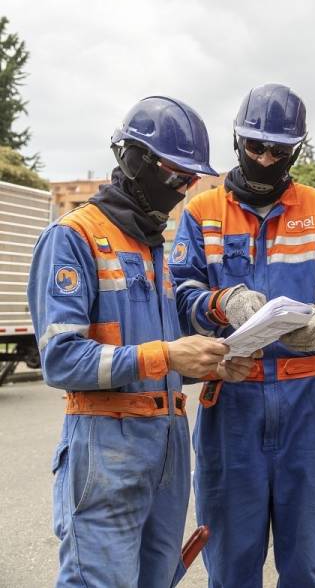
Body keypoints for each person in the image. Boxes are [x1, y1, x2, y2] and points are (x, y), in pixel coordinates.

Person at [28, 96, 255, 588]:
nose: (183, 190)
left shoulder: (154, 247)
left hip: (167, 446)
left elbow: (161, 353)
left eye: (191, 180)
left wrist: (210, 365)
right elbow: (61, 359)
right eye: (176, 176)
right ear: (134, 161)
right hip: (106, 446)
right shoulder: (73, 237)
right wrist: (169, 354)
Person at [172, 83, 315, 588]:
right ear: (237, 140)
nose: (264, 158)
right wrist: (220, 302)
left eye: (278, 150)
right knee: (233, 559)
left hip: (309, 407)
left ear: (295, 150)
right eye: (255, 146)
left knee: (309, 556)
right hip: (232, 405)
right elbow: (178, 295)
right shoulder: (201, 212)